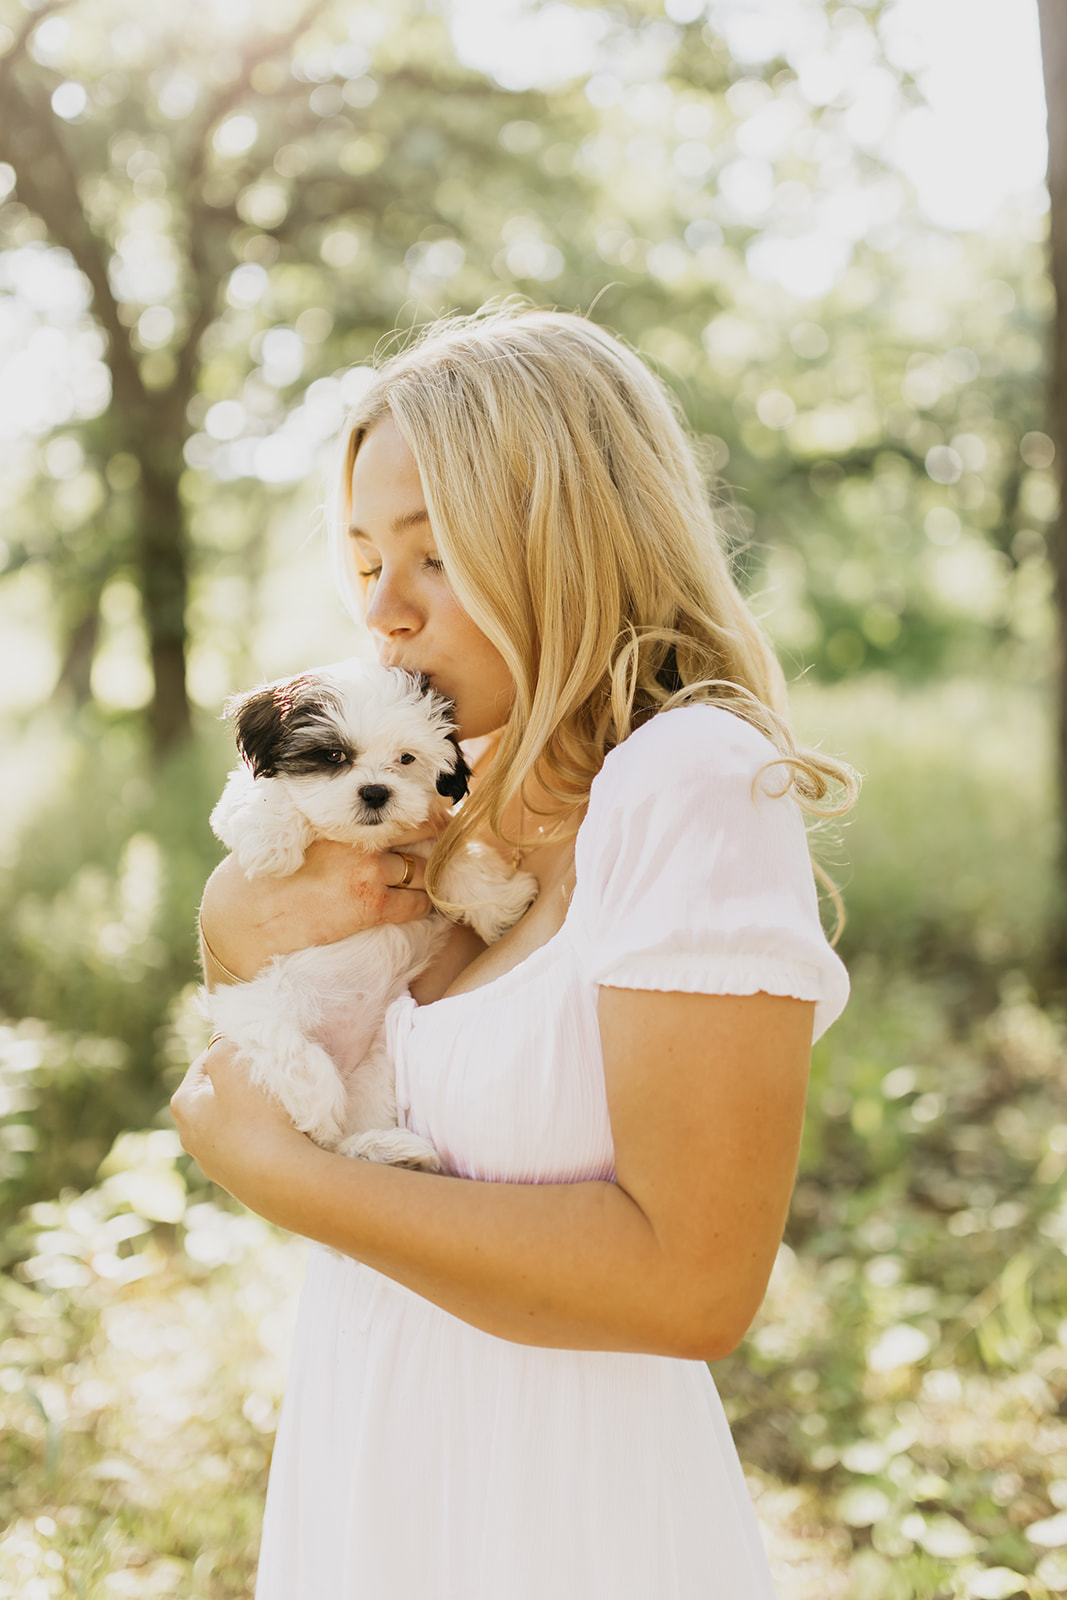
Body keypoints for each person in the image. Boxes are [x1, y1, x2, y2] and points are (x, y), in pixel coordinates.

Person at [171, 305, 855, 1599]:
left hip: (558, 1519)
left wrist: (271, 1171)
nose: (384, 610)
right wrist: (228, 928)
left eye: (433, 556)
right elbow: (306, 1028)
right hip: (373, 1478)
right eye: (364, 557)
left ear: (566, 535)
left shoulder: (691, 781)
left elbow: (691, 1283)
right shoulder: (451, 792)